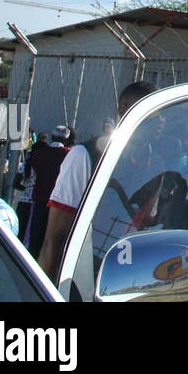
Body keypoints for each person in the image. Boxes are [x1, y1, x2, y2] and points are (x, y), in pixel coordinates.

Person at [40, 80, 157, 279]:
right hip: (87, 273)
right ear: (123, 110)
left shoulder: (158, 161)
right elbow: (54, 236)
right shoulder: (85, 155)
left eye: (159, 113)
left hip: (135, 274)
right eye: (150, 112)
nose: (159, 121)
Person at [25, 124, 72, 258]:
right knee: (52, 239)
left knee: (36, 236)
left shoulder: (40, 153)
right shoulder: (69, 155)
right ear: (66, 140)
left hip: (39, 198)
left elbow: (33, 175)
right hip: (58, 202)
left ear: (52, 137)